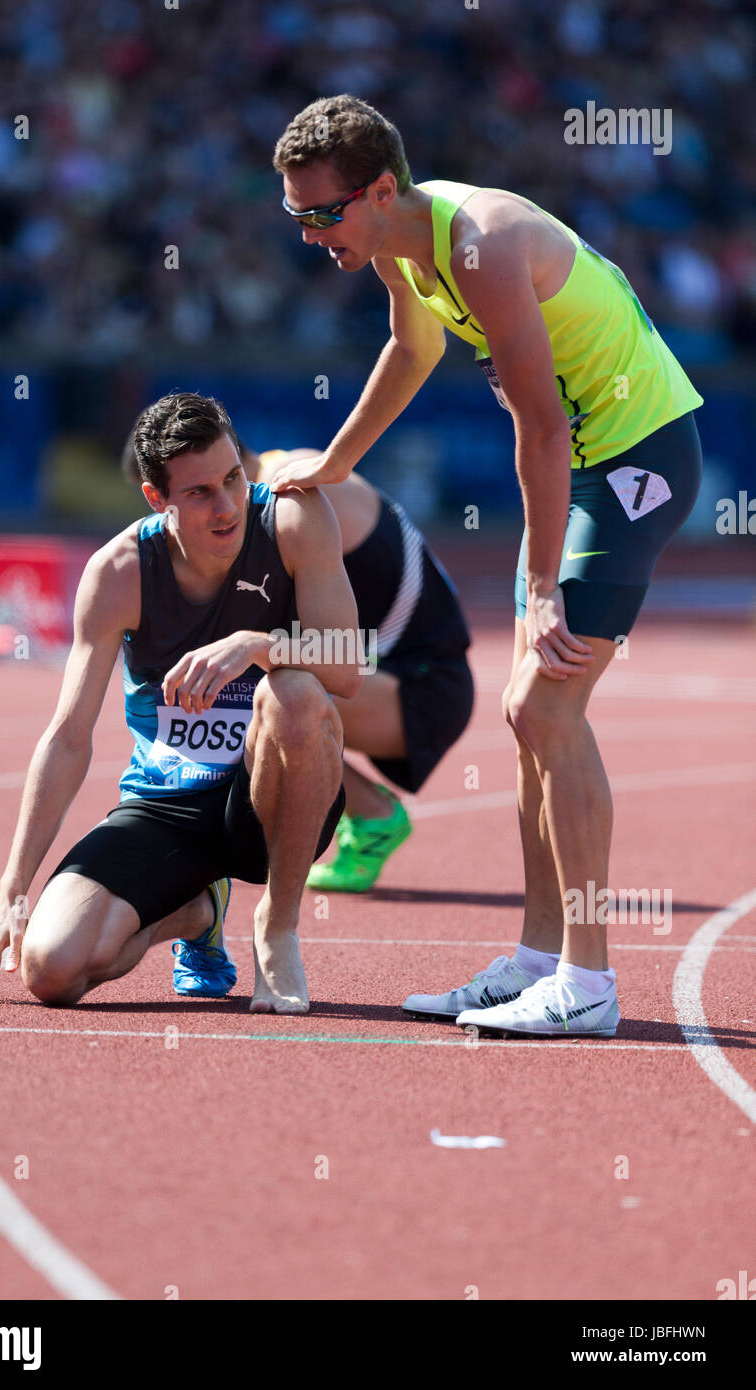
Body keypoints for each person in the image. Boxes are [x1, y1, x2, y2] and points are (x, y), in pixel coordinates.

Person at [270, 95, 703, 1038]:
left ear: (381, 189)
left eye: (321, 213)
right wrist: (335, 466)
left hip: (635, 459)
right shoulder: (394, 242)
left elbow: (542, 427)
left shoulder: (481, 245)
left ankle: (588, 982)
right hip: (585, 466)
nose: (309, 234)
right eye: (295, 215)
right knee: (525, 720)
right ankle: (538, 962)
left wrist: (545, 582)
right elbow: (409, 346)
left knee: (543, 705)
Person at [0, 392, 360, 1017]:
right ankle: (196, 910)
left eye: (233, 478)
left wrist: (255, 645)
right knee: (51, 971)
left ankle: (276, 926)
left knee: (297, 693)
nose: (227, 508)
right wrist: (12, 891)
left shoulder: (293, 518)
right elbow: (68, 737)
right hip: (167, 802)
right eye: (199, 493)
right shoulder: (118, 572)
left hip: (272, 798)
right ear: (156, 499)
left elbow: (348, 665)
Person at [239, 442, 473, 892]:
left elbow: (278, 626)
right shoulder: (290, 464)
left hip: (422, 689)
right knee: (258, 677)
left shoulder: (286, 490)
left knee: (254, 689)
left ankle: (372, 815)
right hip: (400, 672)